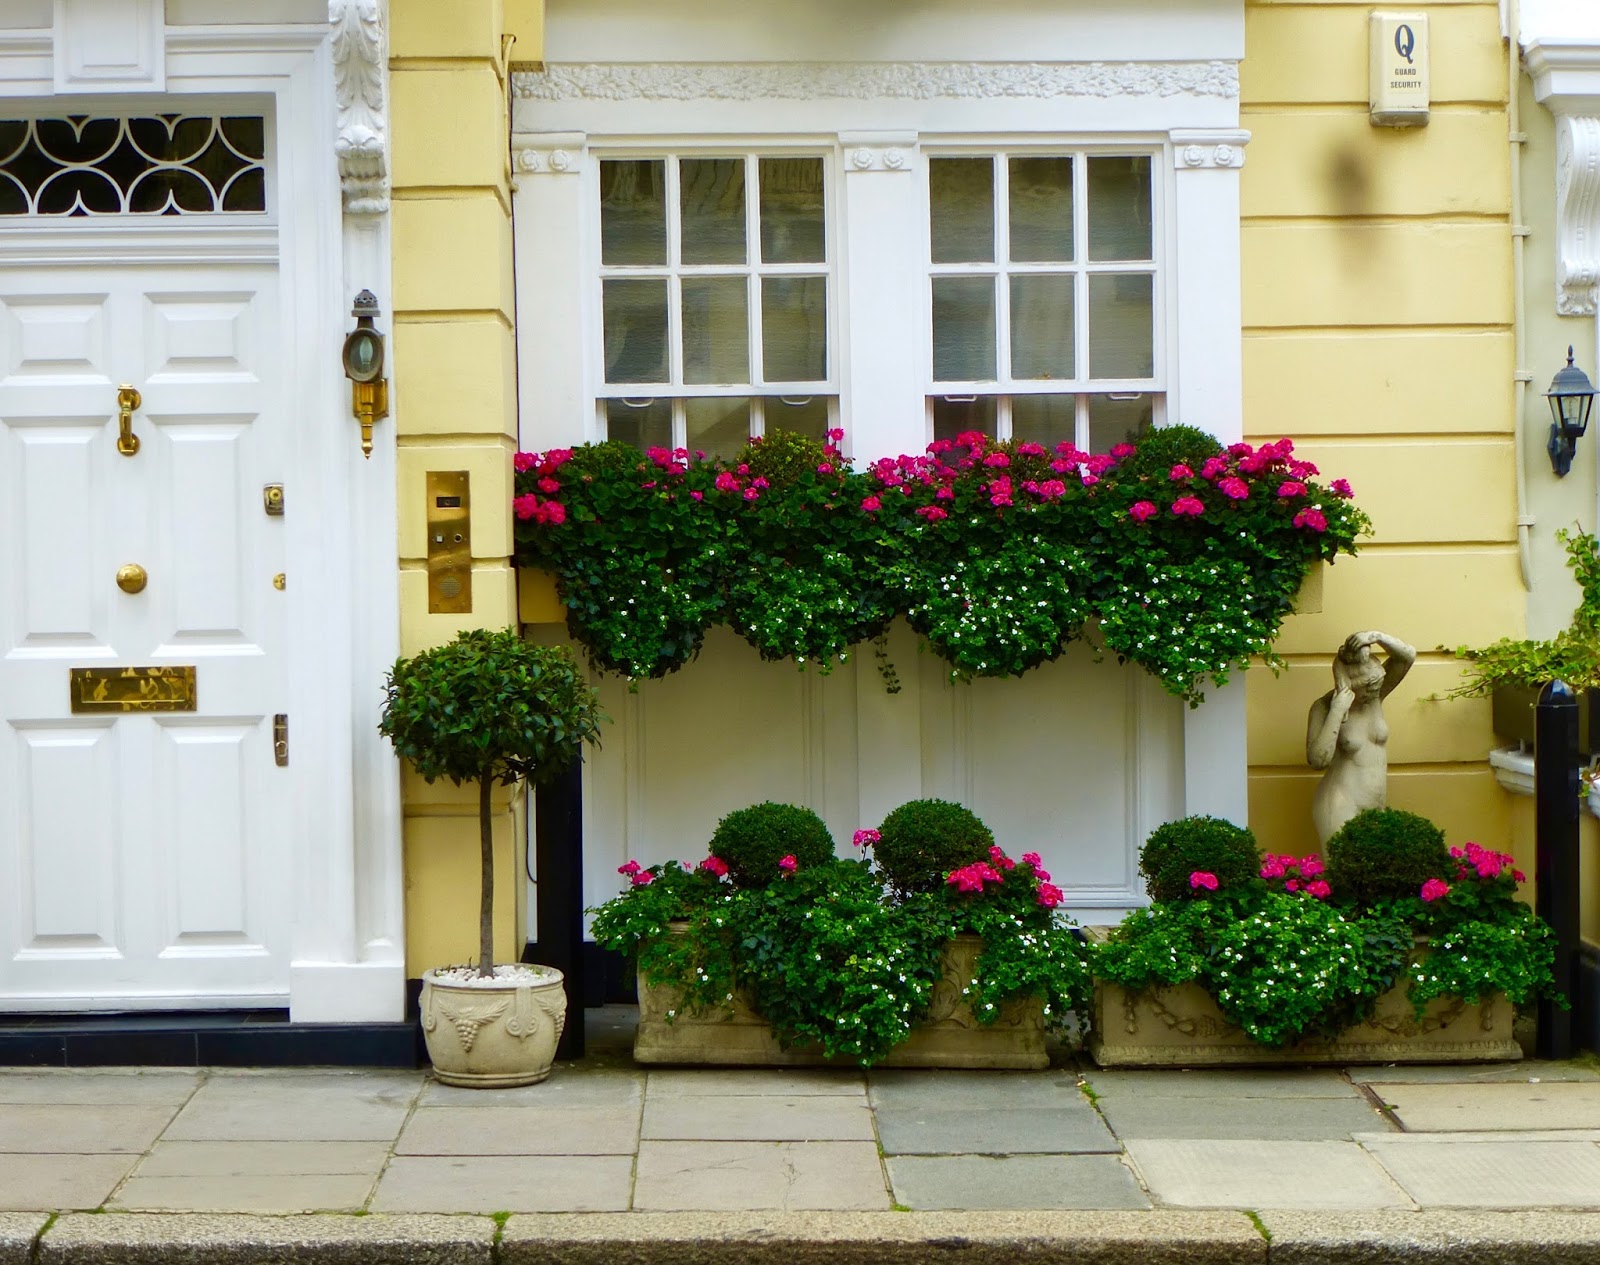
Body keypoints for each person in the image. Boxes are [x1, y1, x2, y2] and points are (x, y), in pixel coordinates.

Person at [1306, 630, 1416, 844]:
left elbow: (1407, 657)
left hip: (1375, 806)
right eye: (1368, 690)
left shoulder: (1375, 697)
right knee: (1340, 873)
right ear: (1350, 685)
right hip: (1340, 804)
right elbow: (1317, 760)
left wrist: (1375, 637)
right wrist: (1337, 712)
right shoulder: (1323, 707)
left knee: (1372, 873)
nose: (1374, 694)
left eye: (1376, 688)